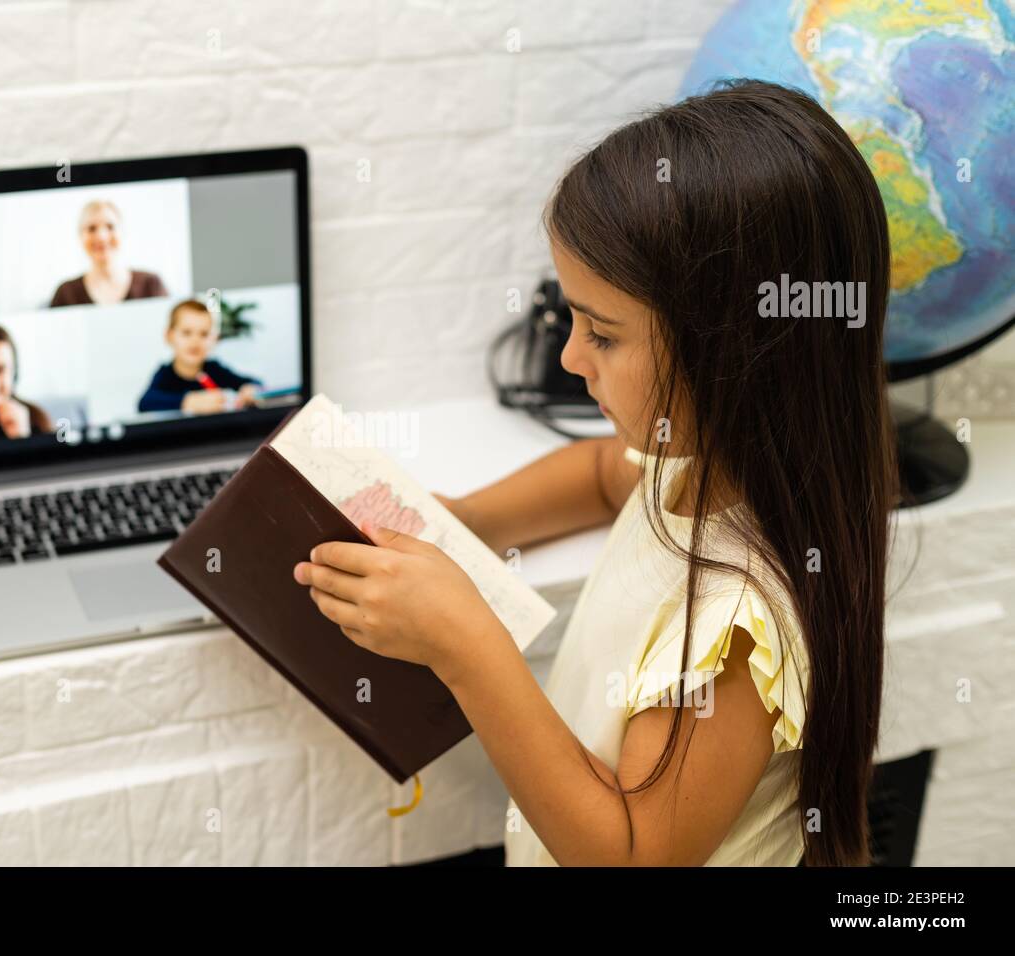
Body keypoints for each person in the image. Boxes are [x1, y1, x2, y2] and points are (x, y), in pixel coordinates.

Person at [291, 80, 897, 867]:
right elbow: (606, 477)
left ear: (736, 356)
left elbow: (633, 856)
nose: (571, 359)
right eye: (570, 318)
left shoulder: (736, 628)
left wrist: (467, 646)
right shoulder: (699, 465)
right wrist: (472, 521)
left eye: (603, 335)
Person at [137, 299, 263, 414]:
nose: (195, 341)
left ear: (215, 340)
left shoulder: (214, 369)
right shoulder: (165, 374)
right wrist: (188, 401)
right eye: (186, 333)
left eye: (204, 334)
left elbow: (254, 383)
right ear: (169, 336)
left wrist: (250, 390)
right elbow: (145, 403)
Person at [49, 199, 167, 307]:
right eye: (91, 228)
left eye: (110, 227)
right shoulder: (65, 293)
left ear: (123, 232)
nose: (101, 237)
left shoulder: (151, 285)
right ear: (80, 236)